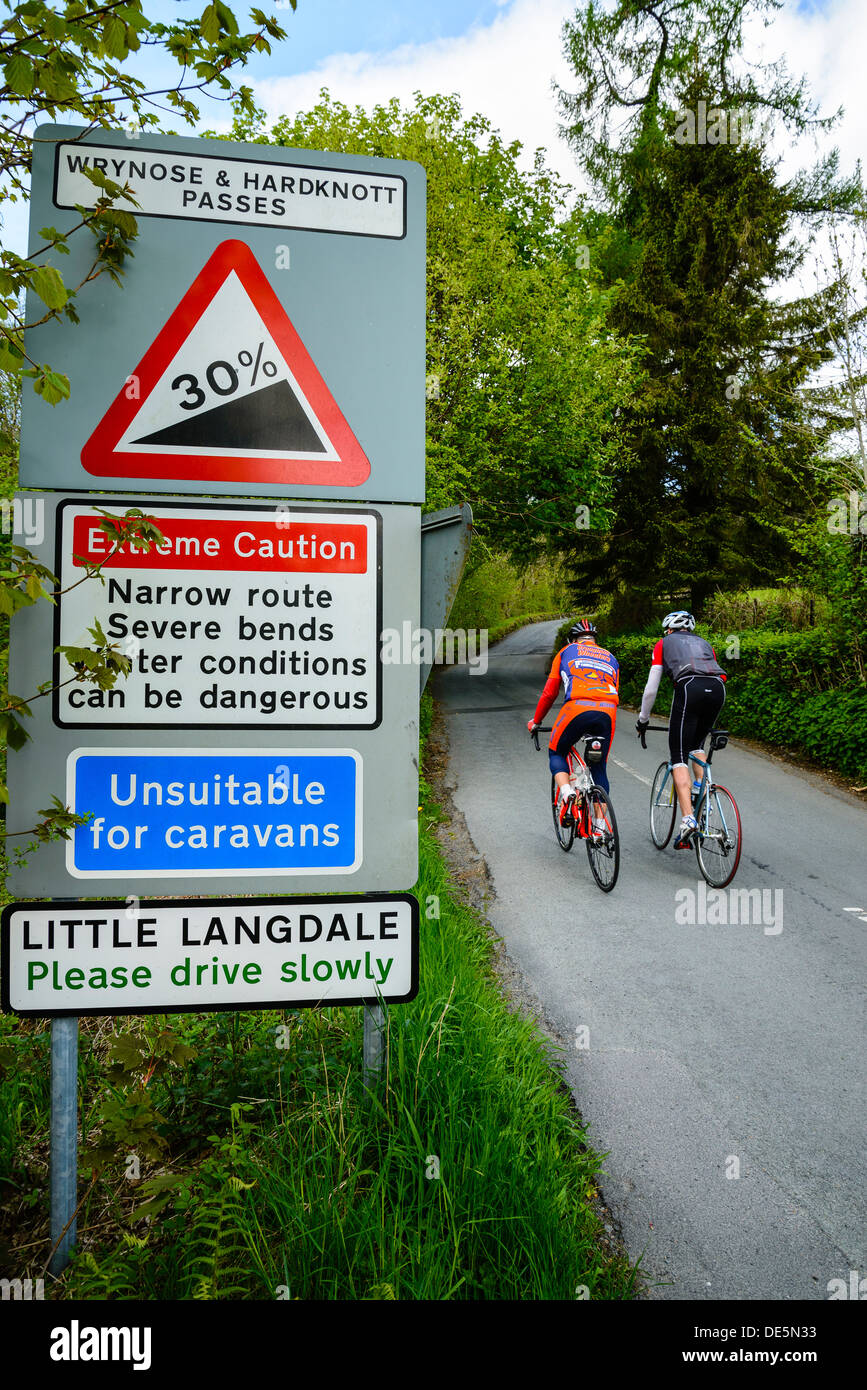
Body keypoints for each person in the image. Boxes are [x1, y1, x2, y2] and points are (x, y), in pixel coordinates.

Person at [635, 611, 727, 848]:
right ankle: (700, 788)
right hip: (718, 688)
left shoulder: (663, 644)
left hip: (689, 687)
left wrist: (643, 719)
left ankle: (687, 820)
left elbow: (651, 689)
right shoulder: (705, 643)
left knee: (678, 756)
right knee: (697, 744)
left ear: (668, 629)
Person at [528, 618, 620, 824]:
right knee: (599, 767)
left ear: (572, 640)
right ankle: (599, 828)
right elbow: (615, 690)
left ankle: (567, 791)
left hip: (577, 707)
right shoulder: (611, 657)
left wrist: (536, 721)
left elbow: (549, 693)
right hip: (608, 711)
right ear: (595, 640)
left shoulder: (566, 652)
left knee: (557, 750)